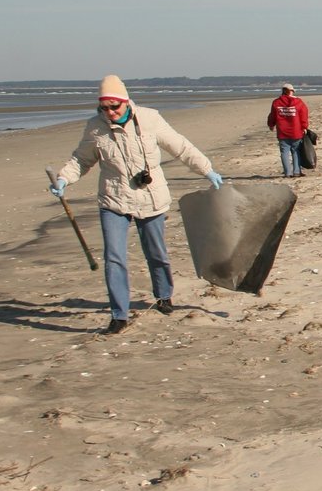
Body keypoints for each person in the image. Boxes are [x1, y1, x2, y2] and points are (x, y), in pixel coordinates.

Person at [49, 75, 223, 334]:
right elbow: (81, 160)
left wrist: (207, 170)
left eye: (114, 107)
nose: (109, 112)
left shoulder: (150, 118)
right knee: (114, 257)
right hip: (113, 199)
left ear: (125, 102)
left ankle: (164, 295)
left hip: (151, 197)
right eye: (104, 108)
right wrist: (64, 178)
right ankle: (118, 315)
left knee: (156, 252)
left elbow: (181, 147)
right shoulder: (95, 127)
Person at [267, 82, 310, 177]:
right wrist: (304, 127)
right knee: (296, 151)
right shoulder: (298, 102)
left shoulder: (276, 102)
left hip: (283, 132)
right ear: (291, 91)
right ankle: (296, 171)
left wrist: (271, 124)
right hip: (296, 131)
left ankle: (288, 172)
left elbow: (272, 115)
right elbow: (304, 116)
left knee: (284, 152)